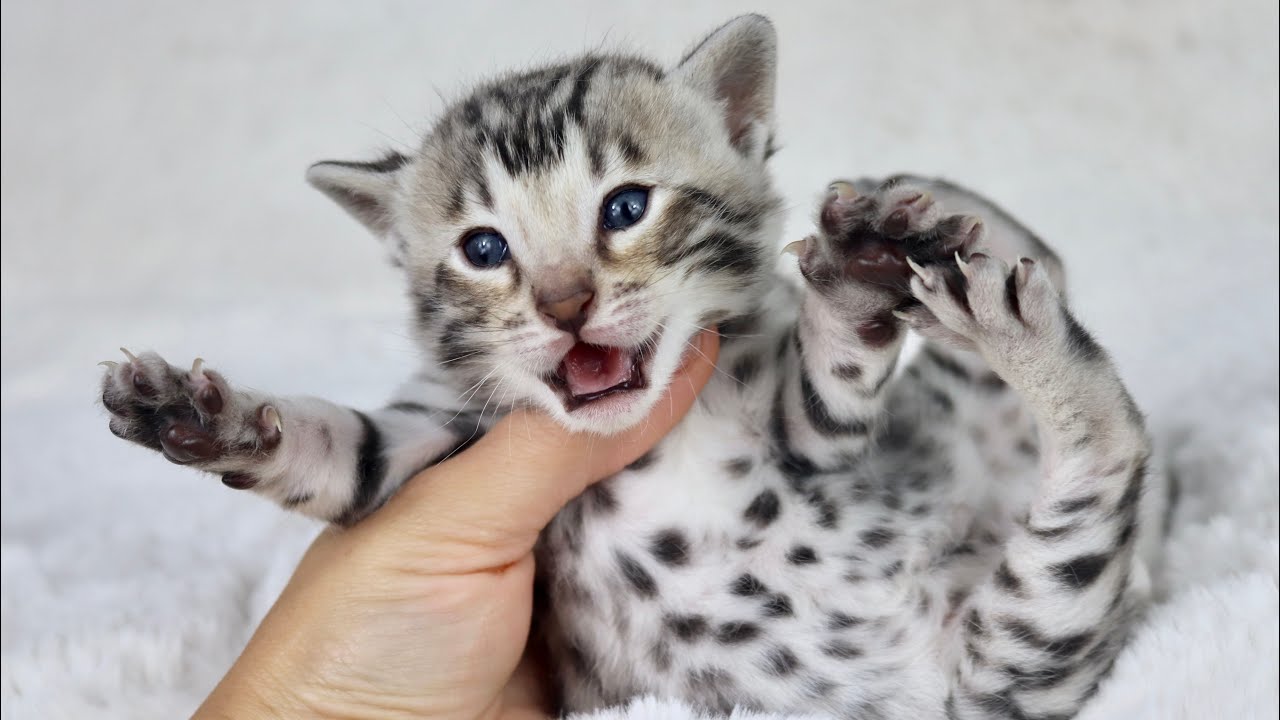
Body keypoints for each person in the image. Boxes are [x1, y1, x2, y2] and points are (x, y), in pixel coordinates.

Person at [194, 331, 720, 720]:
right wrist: (257, 436)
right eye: (488, 249)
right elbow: (372, 462)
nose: (565, 300)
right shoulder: (473, 370)